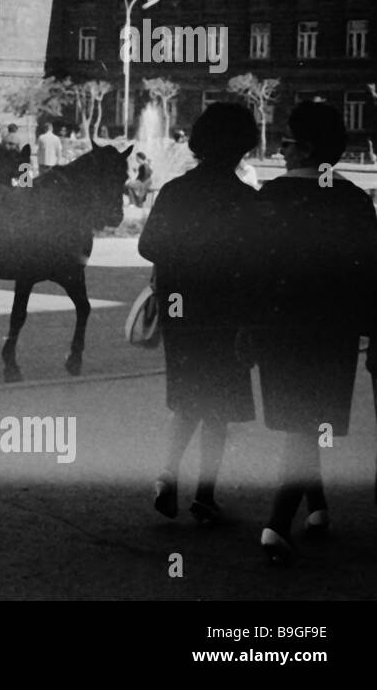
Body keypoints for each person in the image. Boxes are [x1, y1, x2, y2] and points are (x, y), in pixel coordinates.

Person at [245, 102, 377, 561]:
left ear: (307, 147)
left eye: (287, 139)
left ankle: (278, 521)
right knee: (311, 417)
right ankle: (316, 505)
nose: (279, 146)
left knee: (298, 420)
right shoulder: (356, 200)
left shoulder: (268, 198)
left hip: (277, 324)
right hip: (332, 330)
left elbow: (247, 270)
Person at [139, 103, 260, 525]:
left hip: (181, 312)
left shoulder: (174, 191)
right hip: (227, 316)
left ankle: (168, 476)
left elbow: (148, 246)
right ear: (244, 146)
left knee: (188, 398)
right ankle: (205, 495)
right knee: (220, 407)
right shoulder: (246, 199)